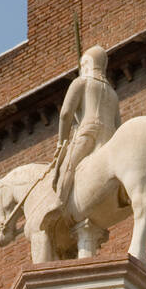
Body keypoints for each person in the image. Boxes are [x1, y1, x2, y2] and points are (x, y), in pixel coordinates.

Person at [50, 47, 121, 215]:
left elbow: (66, 113)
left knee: (68, 166)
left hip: (88, 131)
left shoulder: (81, 82)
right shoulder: (112, 93)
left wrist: (62, 142)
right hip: (109, 137)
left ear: (88, 63)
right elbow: (119, 125)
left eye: (83, 64)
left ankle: (59, 204)